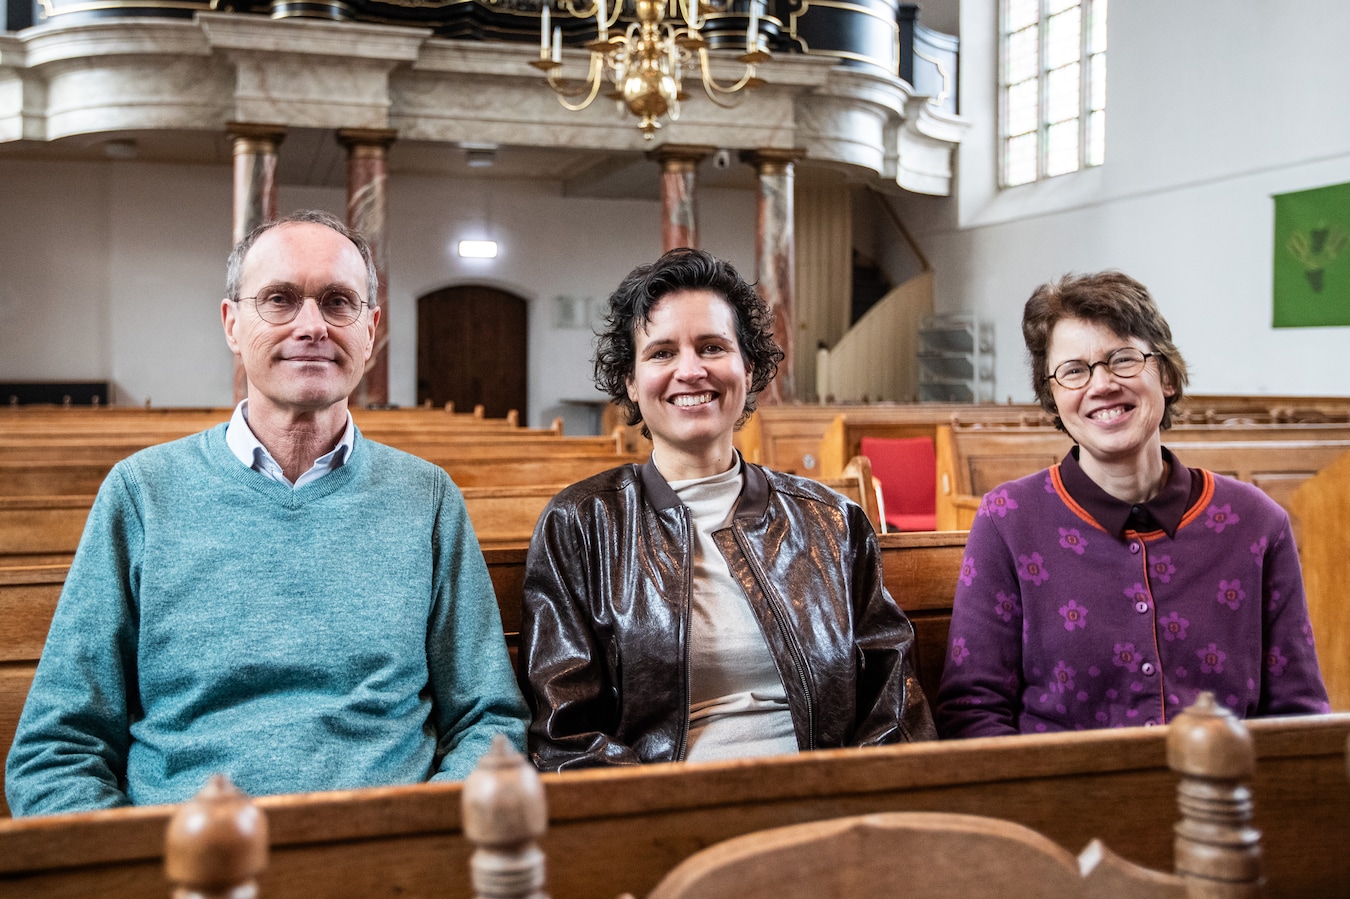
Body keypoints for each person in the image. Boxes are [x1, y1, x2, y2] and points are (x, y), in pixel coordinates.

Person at [5, 210, 529, 815]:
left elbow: (489, 722)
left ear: (371, 330)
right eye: (279, 299)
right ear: (232, 324)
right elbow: (58, 749)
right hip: (190, 862)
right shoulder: (143, 493)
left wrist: (410, 842)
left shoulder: (428, 498)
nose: (312, 326)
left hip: (385, 860)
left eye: (338, 302)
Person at [520, 247, 934, 771]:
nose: (690, 371)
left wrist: (853, 803)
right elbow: (566, 735)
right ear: (629, 381)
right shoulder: (581, 525)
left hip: (828, 801)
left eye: (712, 347)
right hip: (664, 815)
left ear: (749, 366)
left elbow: (893, 704)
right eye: (662, 353)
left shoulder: (832, 522)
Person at [935, 271, 1330, 738]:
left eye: (1122, 359)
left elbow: (1298, 715)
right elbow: (973, 711)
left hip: (1224, 801)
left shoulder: (1256, 523)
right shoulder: (1009, 520)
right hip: (1058, 802)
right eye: (1074, 371)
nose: (1101, 385)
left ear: (1164, 375)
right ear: (1053, 396)